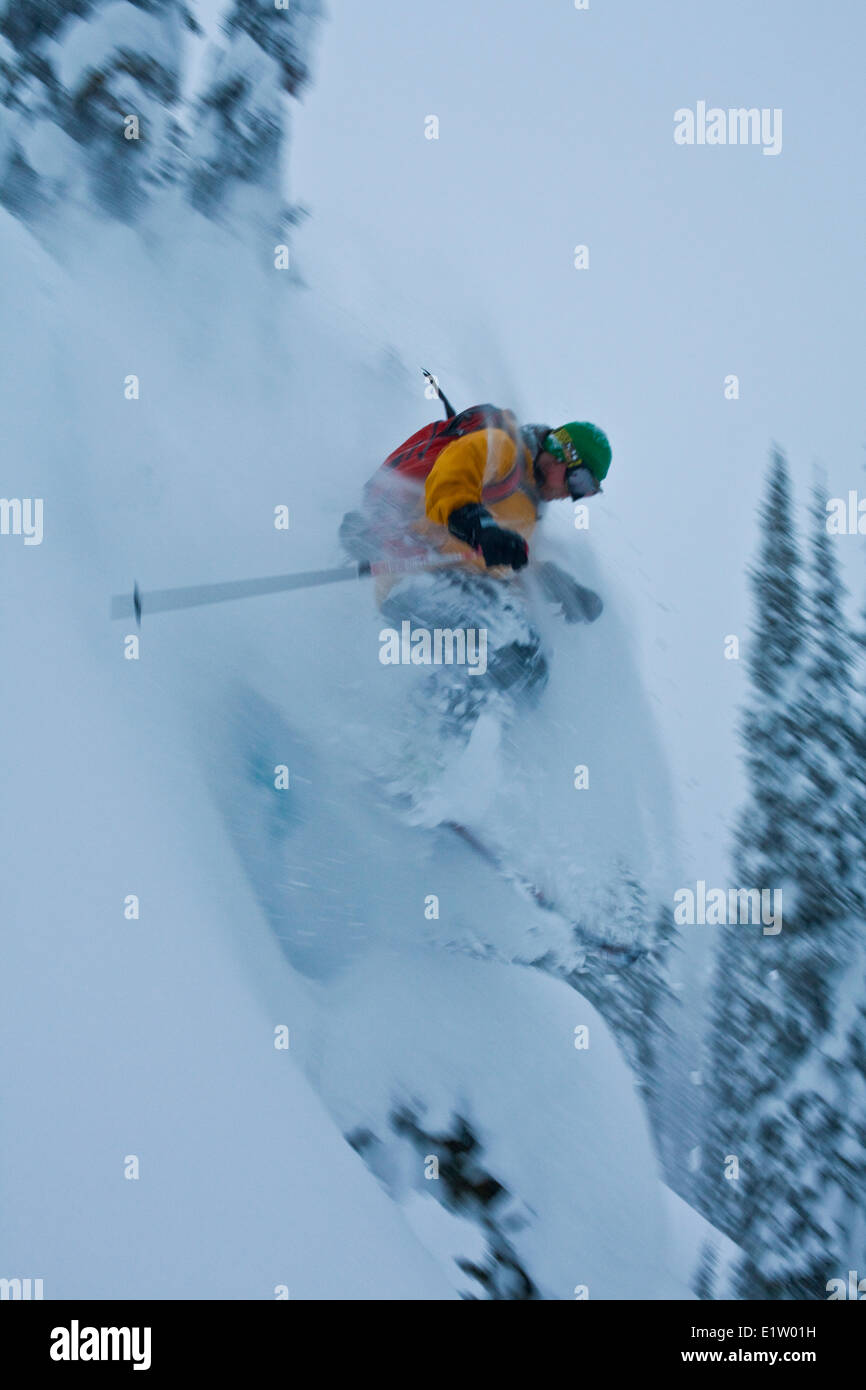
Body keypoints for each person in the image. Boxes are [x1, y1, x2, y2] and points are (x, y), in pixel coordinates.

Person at [340, 408, 612, 738]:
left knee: (528, 668)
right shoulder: (503, 448)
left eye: (587, 492)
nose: (574, 496)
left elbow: (509, 561)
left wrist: (561, 587)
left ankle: (428, 763)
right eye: (579, 481)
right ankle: (406, 745)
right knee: (492, 649)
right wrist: (480, 528)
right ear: (560, 454)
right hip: (417, 575)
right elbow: (450, 479)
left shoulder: (528, 505)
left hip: (469, 591)